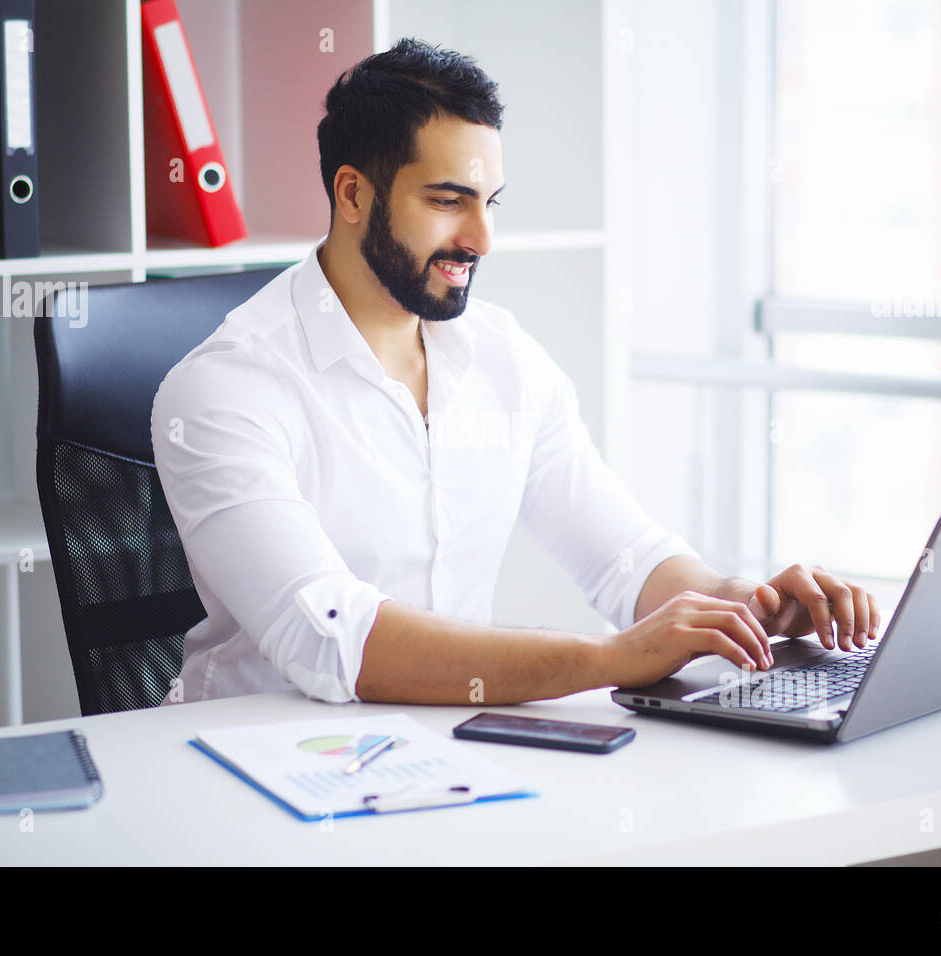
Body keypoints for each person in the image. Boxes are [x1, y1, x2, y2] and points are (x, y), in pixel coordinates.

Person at [152, 38, 879, 707]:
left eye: (490, 203)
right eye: (447, 201)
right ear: (352, 195)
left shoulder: (502, 357)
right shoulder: (225, 388)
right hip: (256, 769)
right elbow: (334, 641)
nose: (481, 239)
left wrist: (739, 605)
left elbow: (625, 560)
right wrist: (609, 659)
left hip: (447, 756)